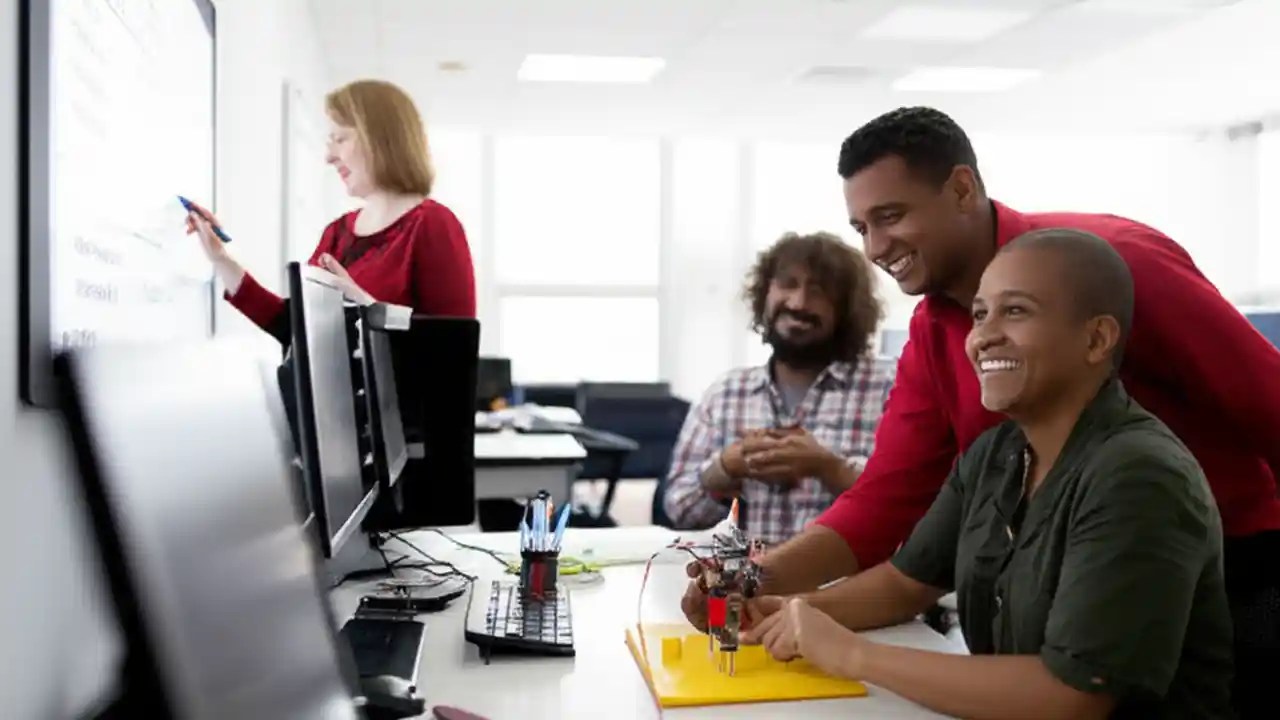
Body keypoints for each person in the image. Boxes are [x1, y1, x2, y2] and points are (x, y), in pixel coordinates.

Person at [680, 106, 1280, 714]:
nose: (876, 247)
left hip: (1227, 567)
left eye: (891, 216)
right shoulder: (950, 354)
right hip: (1052, 584)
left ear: (962, 189)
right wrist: (757, 586)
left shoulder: (1110, 266)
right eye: (861, 227)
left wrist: (845, 648)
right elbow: (889, 502)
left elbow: (1269, 400)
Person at [740, 229, 1235, 719]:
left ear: (1096, 338)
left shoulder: (1140, 476)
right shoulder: (995, 453)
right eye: (980, 314)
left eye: (1015, 311)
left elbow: (1072, 696)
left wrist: (850, 654)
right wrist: (786, 611)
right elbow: (904, 583)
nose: (983, 336)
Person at [187, 79, 475, 340]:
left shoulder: (433, 224)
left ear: (381, 139)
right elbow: (295, 330)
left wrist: (367, 308)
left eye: (340, 139)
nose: (329, 157)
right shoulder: (336, 233)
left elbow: (452, 351)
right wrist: (220, 258)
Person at [662, 231, 894, 544]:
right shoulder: (726, 394)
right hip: (745, 588)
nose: (798, 303)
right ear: (764, 294)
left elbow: (909, 509)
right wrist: (725, 468)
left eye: (819, 291)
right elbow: (680, 510)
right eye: (788, 284)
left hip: (848, 588)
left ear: (847, 308)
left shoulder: (889, 387)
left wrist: (828, 468)